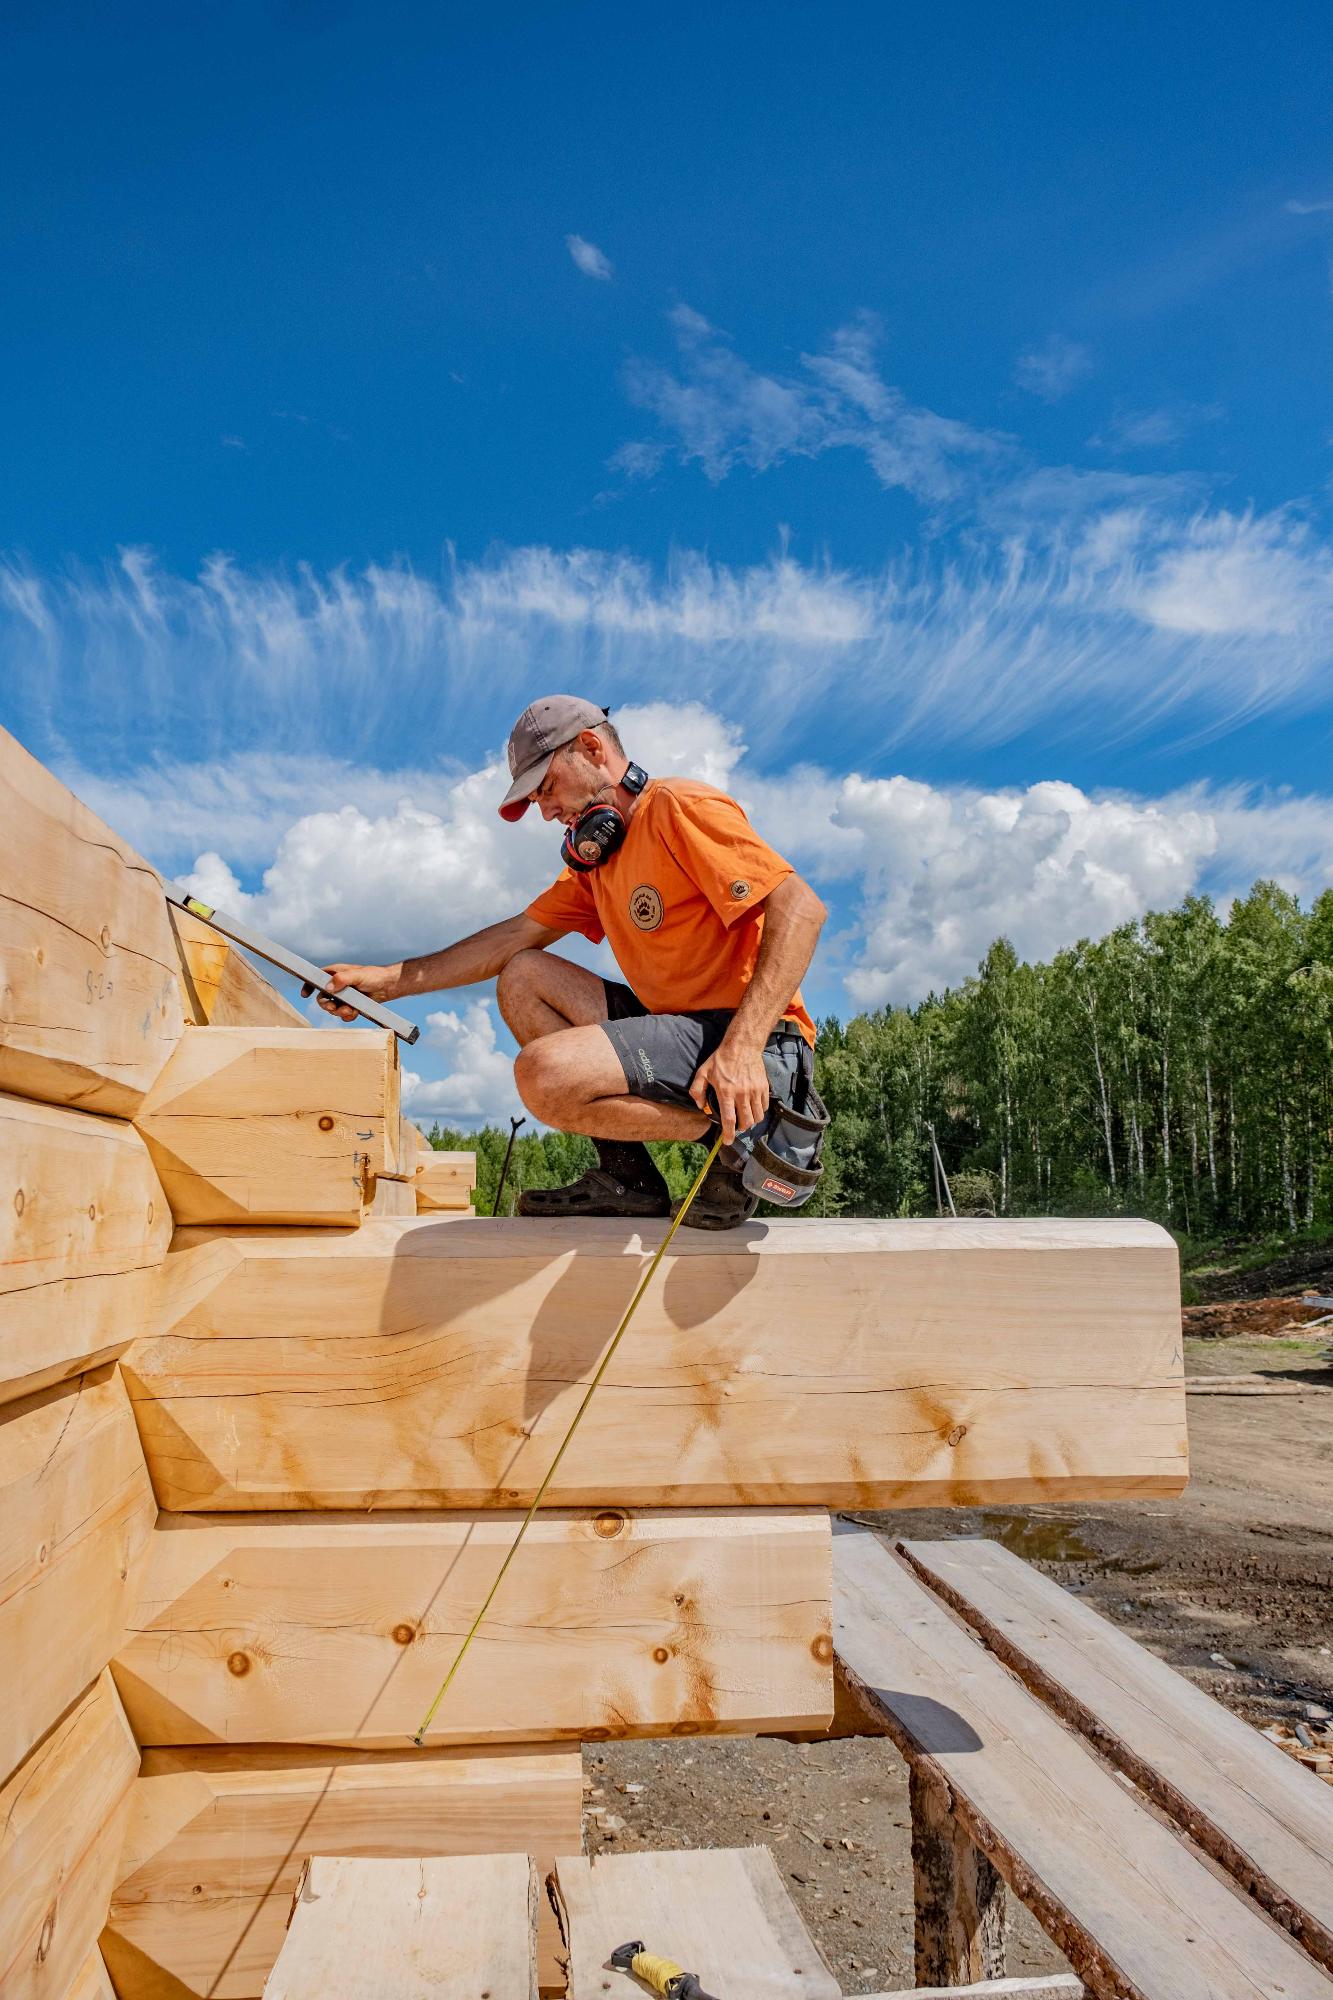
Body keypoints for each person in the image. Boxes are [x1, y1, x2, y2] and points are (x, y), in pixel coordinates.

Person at [314, 695, 827, 1228]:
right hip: (683, 1034)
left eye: (548, 788)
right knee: (523, 976)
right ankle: (630, 1177)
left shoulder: (679, 807)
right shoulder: (597, 865)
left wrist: (743, 1049)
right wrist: (384, 981)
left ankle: (747, 1133)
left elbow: (801, 908)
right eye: (537, 798)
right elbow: (511, 938)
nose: (546, 810)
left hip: (759, 1042)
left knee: (545, 1076)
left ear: (590, 747)